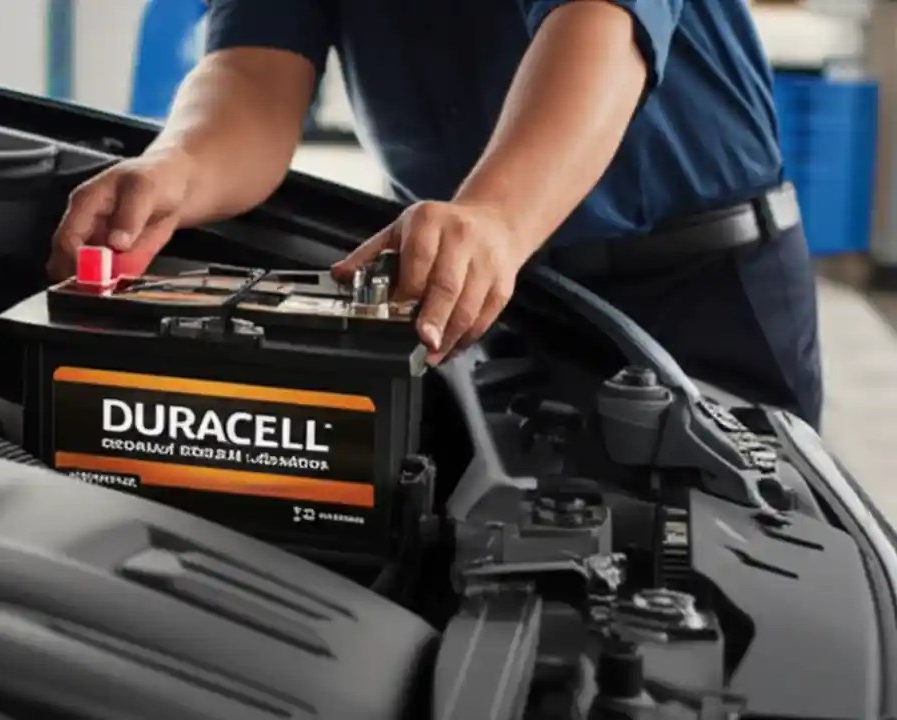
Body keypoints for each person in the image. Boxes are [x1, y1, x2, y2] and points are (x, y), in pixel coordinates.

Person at [48, 0, 823, 429]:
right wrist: (175, 168)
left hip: (696, 294)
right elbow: (252, 74)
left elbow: (599, 25)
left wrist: (493, 216)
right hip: (469, 303)